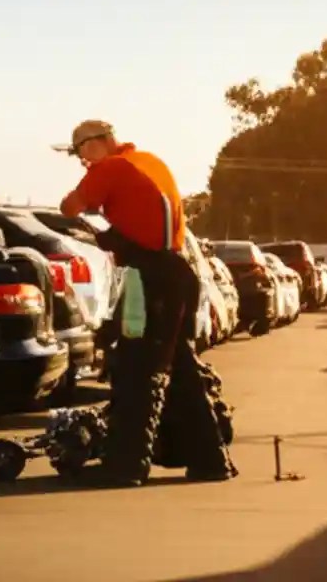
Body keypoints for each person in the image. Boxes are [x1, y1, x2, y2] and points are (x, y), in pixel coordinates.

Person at [57, 120, 237, 485]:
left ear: (103, 141)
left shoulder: (112, 167)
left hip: (150, 278)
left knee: (140, 370)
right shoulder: (148, 162)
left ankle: (126, 465)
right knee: (181, 369)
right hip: (176, 274)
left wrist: (95, 216)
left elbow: (69, 207)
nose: (82, 161)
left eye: (82, 150)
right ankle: (210, 460)